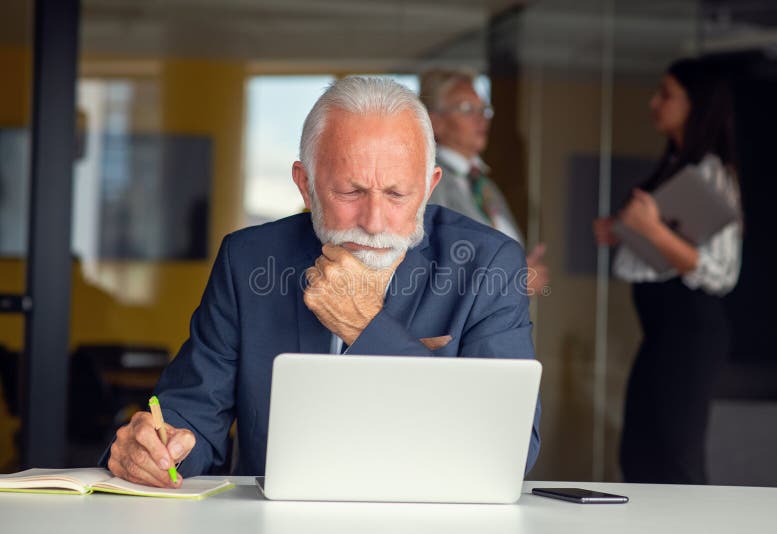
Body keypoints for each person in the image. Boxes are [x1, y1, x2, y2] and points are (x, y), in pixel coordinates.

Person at [104, 77, 542, 487]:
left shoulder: (491, 264)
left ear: (429, 188)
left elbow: (509, 448)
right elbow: (194, 412)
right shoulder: (248, 260)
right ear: (306, 186)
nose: (373, 223)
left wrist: (367, 328)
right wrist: (159, 450)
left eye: (396, 194)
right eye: (350, 193)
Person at [593, 58, 742, 484]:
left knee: (674, 454)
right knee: (641, 451)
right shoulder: (676, 167)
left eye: (667, 94)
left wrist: (651, 230)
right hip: (662, 334)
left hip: (691, 333)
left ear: (696, 105)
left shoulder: (712, 173)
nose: (654, 103)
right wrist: (622, 231)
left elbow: (720, 271)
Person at [419, 69, 548, 296]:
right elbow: (434, 263)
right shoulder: (428, 181)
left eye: (484, 109)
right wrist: (512, 281)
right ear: (435, 121)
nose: (481, 119)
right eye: (467, 108)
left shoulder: (485, 184)